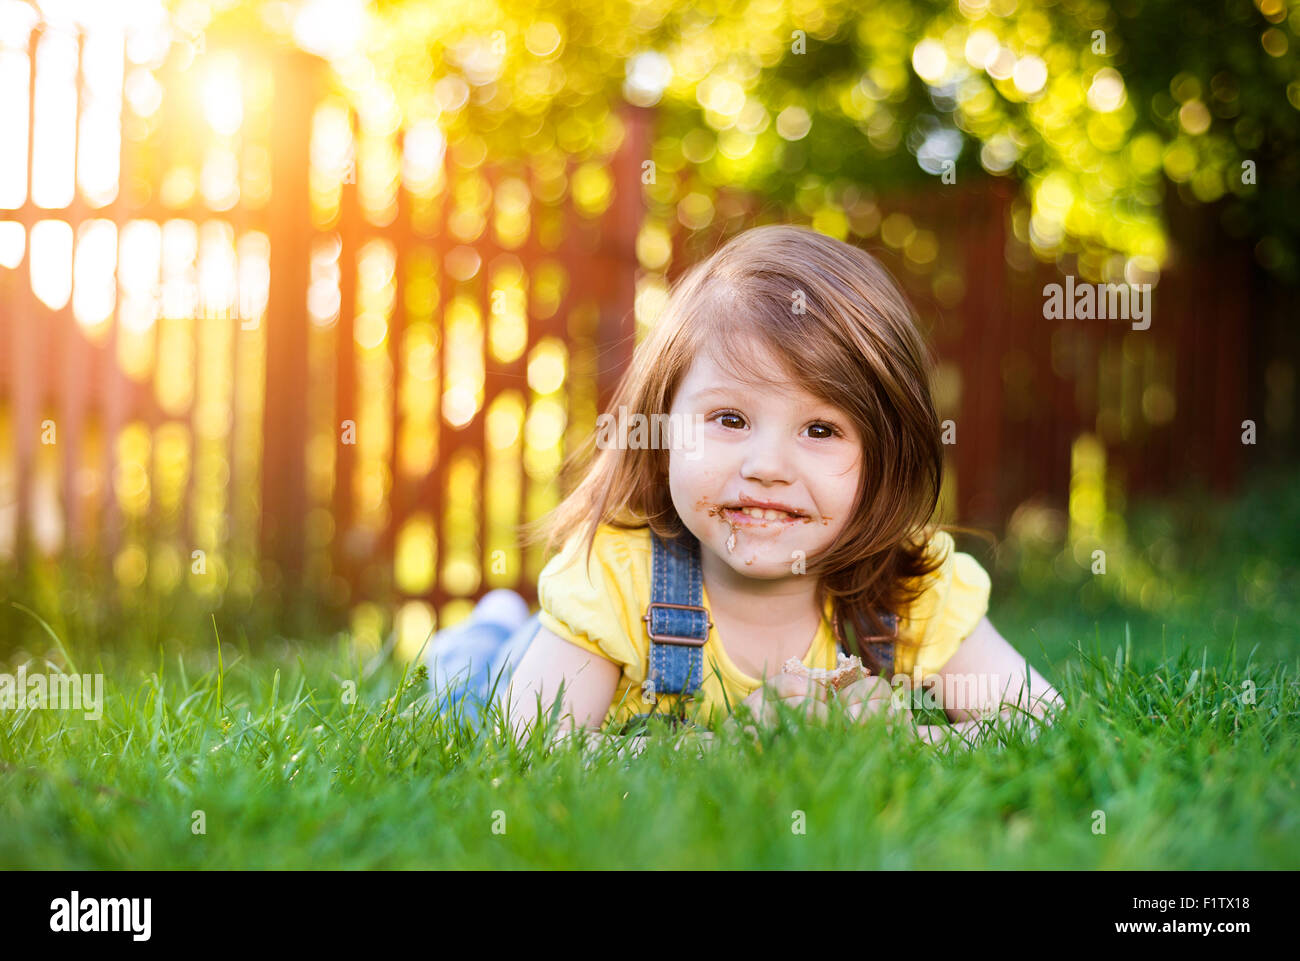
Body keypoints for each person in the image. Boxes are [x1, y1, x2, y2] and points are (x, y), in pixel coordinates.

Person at [426, 223, 1065, 749]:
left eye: (820, 430)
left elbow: (1040, 722)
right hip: (517, 670)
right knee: (467, 679)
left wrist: (900, 739)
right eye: (730, 420)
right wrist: (726, 748)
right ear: (663, 424)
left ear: (885, 456)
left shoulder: (910, 588)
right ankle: (490, 627)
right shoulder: (613, 577)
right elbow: (528, 748)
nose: (767, 465)